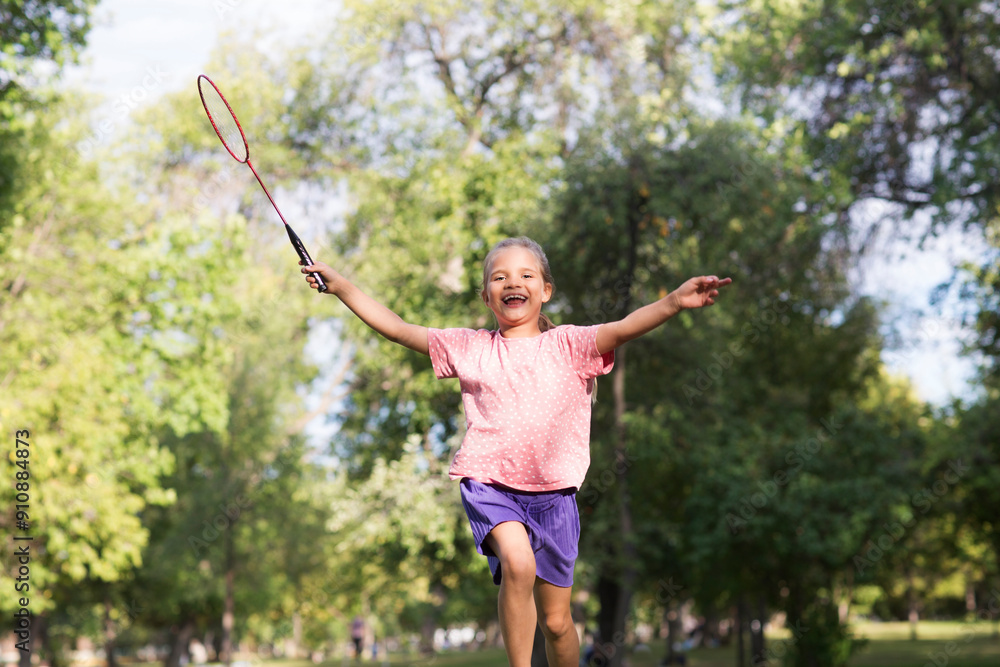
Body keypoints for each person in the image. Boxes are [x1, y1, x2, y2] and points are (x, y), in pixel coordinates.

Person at [302, 237, 731, 667]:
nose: (513, 282)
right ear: (486, 295)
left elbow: (624, 327)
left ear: (545, 290)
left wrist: (674, 301)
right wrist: (344, 288)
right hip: (490, 484)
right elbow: (398, 328)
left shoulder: (569, 345)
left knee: (558, 623)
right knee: (518, 564)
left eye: (527, 275)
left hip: (555, 498)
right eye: (500, 277)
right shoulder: (471, 348)